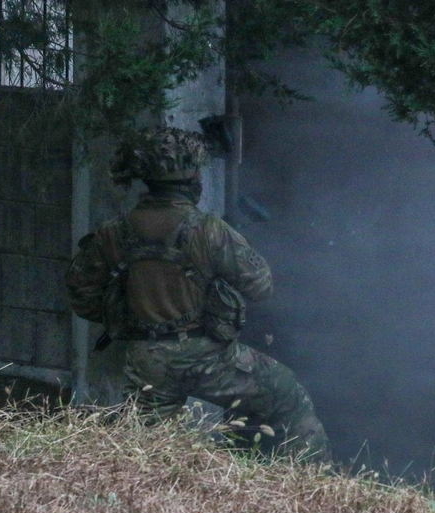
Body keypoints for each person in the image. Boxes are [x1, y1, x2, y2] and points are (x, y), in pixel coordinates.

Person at [65, 126, 330, 462]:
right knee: (288, 396)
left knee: (138, 451)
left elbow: (81, 293)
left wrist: (129, 317)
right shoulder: (208, 230)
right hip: (209, 357)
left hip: (147, 360)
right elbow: (261, 286)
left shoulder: (114, 232)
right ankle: (309, 488)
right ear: (192, 180)